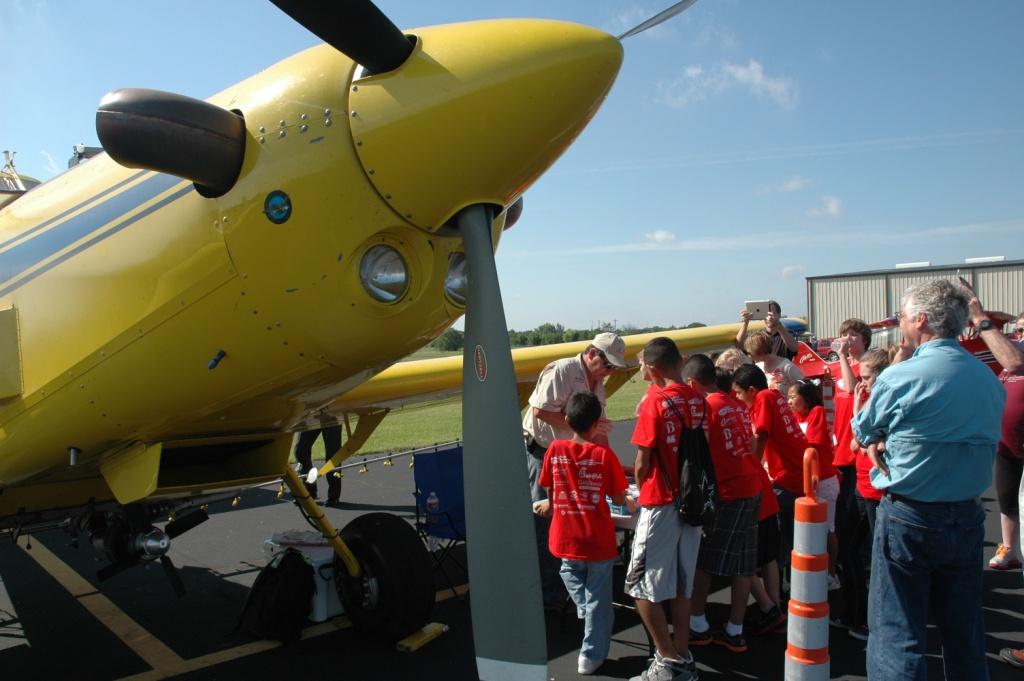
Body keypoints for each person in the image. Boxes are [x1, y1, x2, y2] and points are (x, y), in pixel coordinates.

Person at [851, 279, 1005, 681]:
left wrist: (879, 439)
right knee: (965, 633)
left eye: (902, 315)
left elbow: (863, 428)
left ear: (920, 319)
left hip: (910, 516)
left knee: (897, 632)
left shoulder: (900, 377)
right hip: (968, 515)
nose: (900, 322)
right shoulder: (987, 377)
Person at [534, 391, 636, 675]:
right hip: (597, 539)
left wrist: (553, 505)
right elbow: (617, 497)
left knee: (569, 573)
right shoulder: (604, 456)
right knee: (598, 600)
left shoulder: (555, 450)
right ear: (596, 425)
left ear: (566, 420)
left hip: (566, 536)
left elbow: (549, 487)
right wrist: (628, 501)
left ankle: (589, 615)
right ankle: (591, 654)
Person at [522, 332, 627, 610]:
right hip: (546, 452)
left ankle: (570, 583)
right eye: (607, 365)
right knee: (547, 519)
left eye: (614, 367)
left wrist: (611, 465)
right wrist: (582, 429)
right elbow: (540, 412)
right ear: (592, 353)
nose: (609, 371)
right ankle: (550, 595)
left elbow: (599, 429)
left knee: (570, 517)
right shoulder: (564, 370)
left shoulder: (599, 386)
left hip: (572, 454)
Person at [626, 337, 705, 681]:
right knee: (681, 583)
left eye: (643, 363)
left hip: (661, 501)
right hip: (693, 502)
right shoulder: (698, 399)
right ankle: (683, 655)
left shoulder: (654, 402)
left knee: (639, 584)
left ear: (654, 369)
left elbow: (643, 461)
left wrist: (641, 493)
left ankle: (667, 659)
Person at [684, 356, 762, 654]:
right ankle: (735, 629)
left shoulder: (708, 408)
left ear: (693, 384)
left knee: (706, 560)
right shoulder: (735, 404)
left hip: (728, 492)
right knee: (743, 562)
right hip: (751, 486)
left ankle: (697, 623)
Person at [732, 363, 810, 578]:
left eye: (738, 393)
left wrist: (752, 468)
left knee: (772, 523)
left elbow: (761, 435)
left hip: (791, 476)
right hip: (796, 471)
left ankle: (784, 575)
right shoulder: (773, 395)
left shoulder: (764, 397)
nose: (737, 398)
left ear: (751, 391)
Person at [787, 380, 840, 590]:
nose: (789, 400)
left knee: (827, 528)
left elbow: (811, 445)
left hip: (824, 480)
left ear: (806, 396)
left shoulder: (816, 411)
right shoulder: (795, 417)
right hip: (806, 481)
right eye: (788, 397)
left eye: (793, 396)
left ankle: (831, 574)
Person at [294, 426, 342, 505]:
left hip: (332, 416)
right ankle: (309, 492)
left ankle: (334, 496)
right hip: (310, 416)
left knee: (333, 456)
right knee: (300, 451)